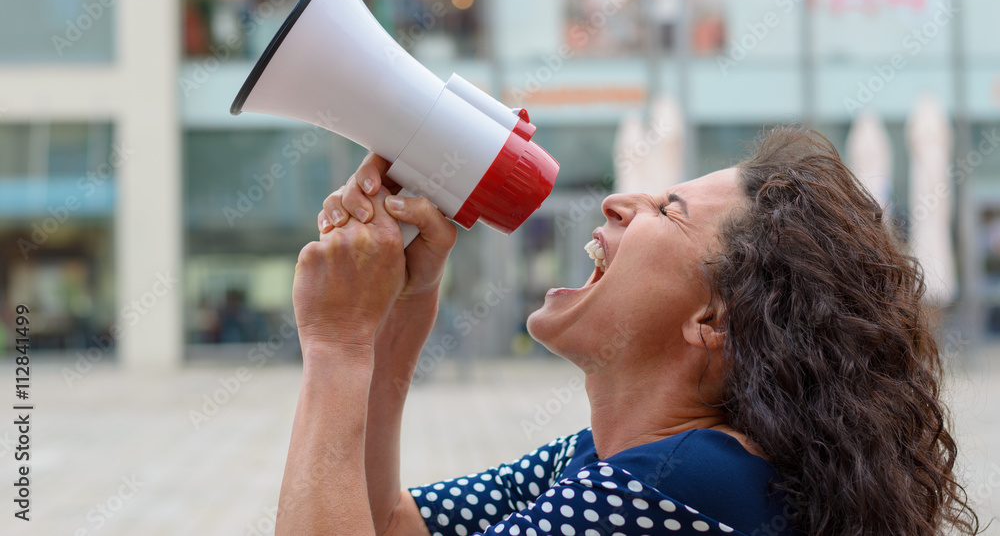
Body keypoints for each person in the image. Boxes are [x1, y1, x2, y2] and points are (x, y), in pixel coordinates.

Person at [276, 126, 980, 536]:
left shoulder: (693, 483)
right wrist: (404, 311)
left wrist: (338, 343)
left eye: (668, 209)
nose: (616, 201)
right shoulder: (611, 459)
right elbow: (395, 526)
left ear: (712, 319)